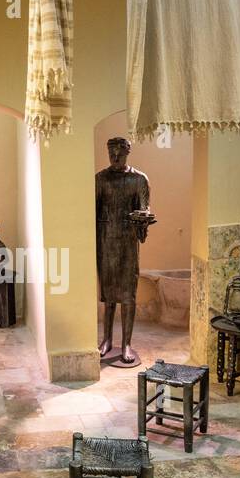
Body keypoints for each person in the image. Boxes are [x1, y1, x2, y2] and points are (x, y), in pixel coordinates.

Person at [96, 136, 155, 365]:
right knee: (108, 294)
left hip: (128, 243)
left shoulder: (138, 180)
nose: (115, 156)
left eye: (119, 152)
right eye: (112, 152)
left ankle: (127, 343)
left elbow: (145, 208)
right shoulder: (100, 179)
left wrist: (143, 220)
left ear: (127, 152)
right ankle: (107, 339)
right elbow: (93, 211)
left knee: (128, 294)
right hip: (106, 241)